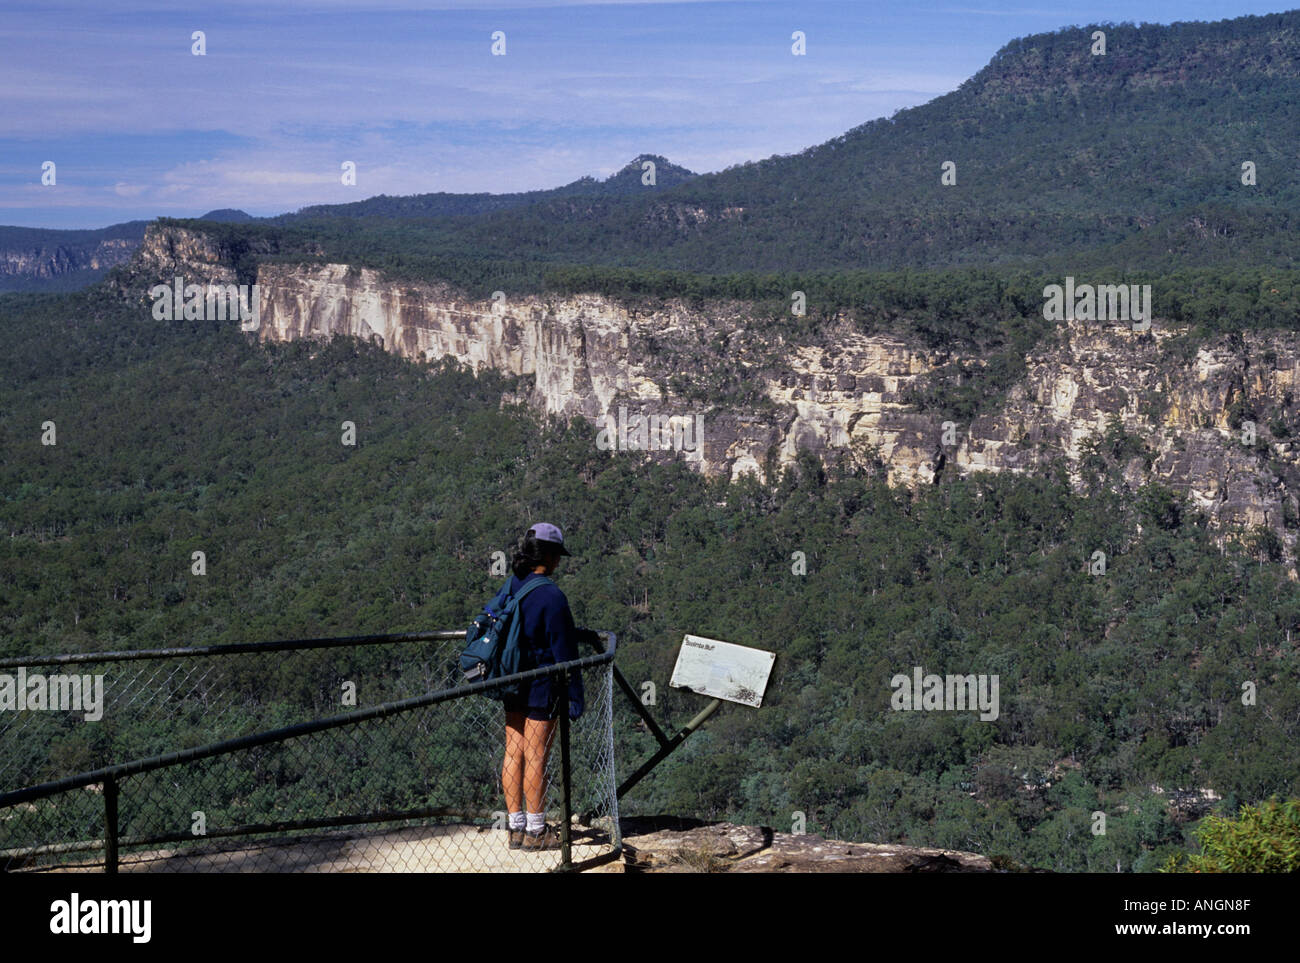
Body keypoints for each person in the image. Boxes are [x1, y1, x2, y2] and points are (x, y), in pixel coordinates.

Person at [499, 523, 598, 851]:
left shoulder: (514, 584)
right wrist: (574, 696)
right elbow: (565, 653)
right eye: (558, 557)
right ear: (550, 556)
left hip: (511, 678)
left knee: (514, 750)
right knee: (537, 754)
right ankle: (537, 830)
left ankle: (515, 827)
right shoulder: (552, 596)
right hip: (543, 682)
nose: (559, 563)